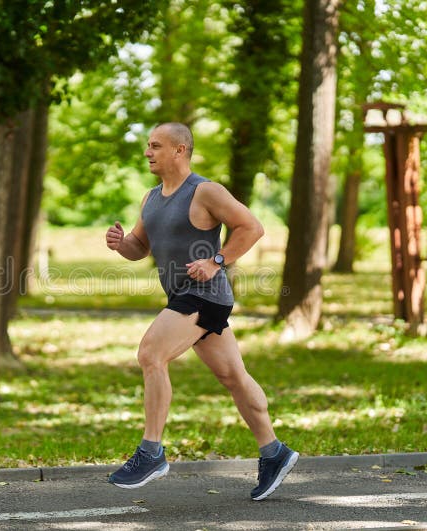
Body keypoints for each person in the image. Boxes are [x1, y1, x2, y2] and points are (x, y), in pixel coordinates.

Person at [104, 122, 298, 500]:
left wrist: (217, 260)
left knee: (150, 354)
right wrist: (119, 244)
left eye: (155, 145)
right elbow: (138, 247)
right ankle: (274, 452)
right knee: (234, 377)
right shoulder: (151, 198)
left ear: (180, 150)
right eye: (147, 145)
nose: (147, 152)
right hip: (185, 295)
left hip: (204, 293)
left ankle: (151, 452)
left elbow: (251, 227)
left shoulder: (205, 191)